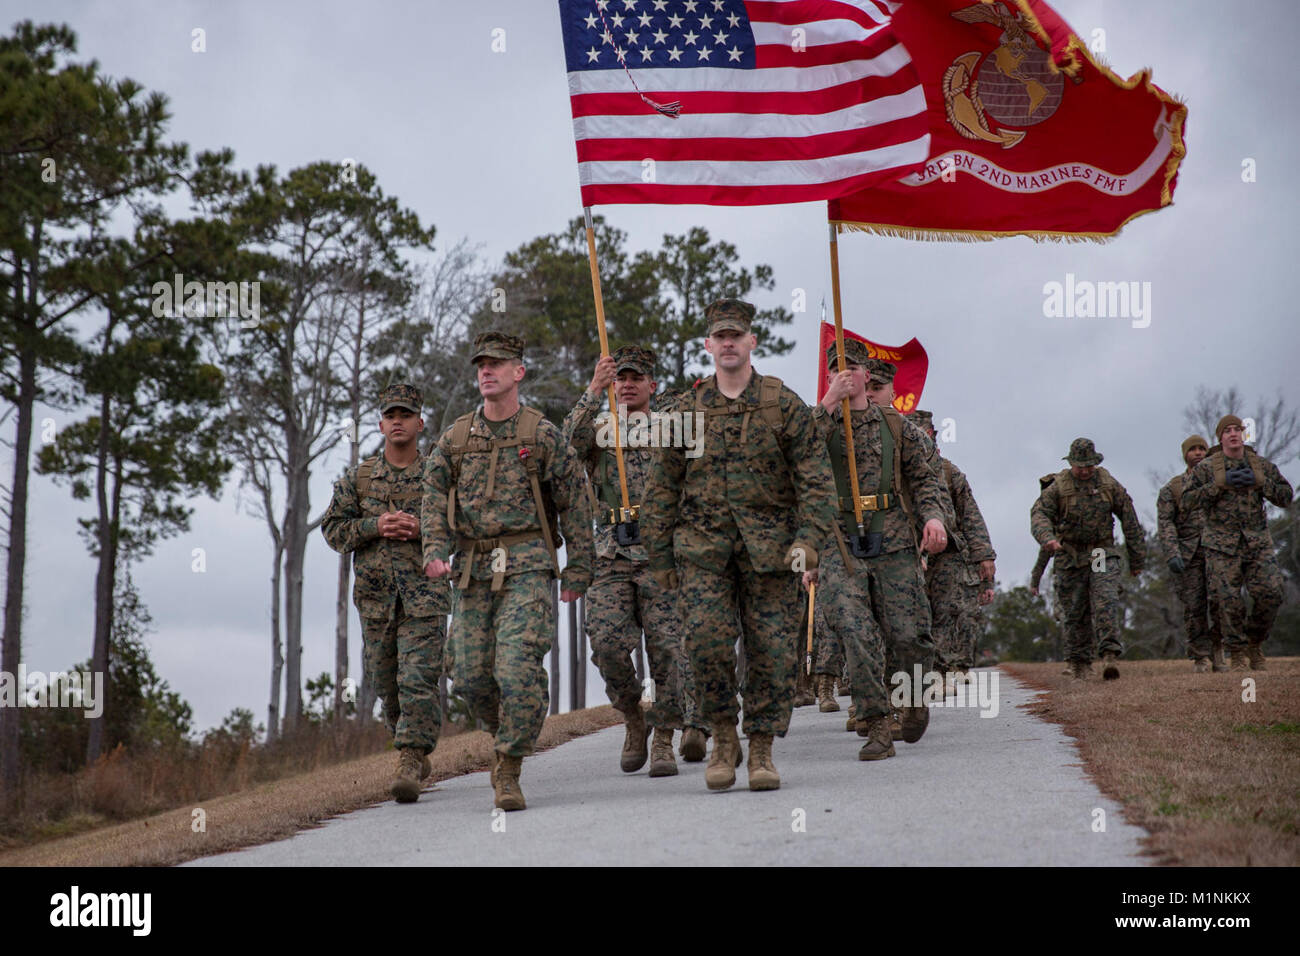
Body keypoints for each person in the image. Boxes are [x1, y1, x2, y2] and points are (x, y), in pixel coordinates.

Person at [641, 299, 835, 792]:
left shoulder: (781, 405)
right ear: (708, 347)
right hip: (702, 554)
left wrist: (809, 542)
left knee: (772, 653)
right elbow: (661, 487)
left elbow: (815, 479)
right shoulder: (686, 411)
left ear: (751, 342)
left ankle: (762, 748)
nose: (728, 343)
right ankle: (724, 738)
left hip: (772, 554)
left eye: (736, 336)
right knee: (705, 644)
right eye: (719, 337)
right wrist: (660, 556)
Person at [421, 332, 593, 811]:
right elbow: (433, 499)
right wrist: (435, 550)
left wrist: (579, 568)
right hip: (472, 570)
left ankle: (509, 764)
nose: (486, 371)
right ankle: (510, 730)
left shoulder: (542, 434)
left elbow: (575, 501)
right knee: (470, 676)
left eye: (497, 364)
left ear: (519, 372)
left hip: (528, 566)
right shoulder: (455, 438)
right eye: (481, 364)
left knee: (515, 669)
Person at [562, 345, 704, 777]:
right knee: (605, 643)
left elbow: (702, 471)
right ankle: (633, 718)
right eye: (620, 378)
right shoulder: (600, 426)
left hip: (663, 551)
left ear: (651, 385)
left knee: (668, 650)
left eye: (635, 378)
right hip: (610, 552)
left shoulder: (674, 425)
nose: (626, 384)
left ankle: (663, 736)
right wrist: (592, 389)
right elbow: (564, 449)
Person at [805, 346, 949, 758]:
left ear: (868, 376)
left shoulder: (898, 427)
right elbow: (790, 455)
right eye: (835, 371)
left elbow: (926, 479)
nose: (844, 375)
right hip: (840, 544)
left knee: (908, 635)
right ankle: (878, 724)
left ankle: (914, 698)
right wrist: (829, 402)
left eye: (851, 369)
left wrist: (934, 519)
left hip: (893, 539)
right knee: (854, 631)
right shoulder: (819, 424)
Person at [322, 383, 450, 803]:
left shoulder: (438, 474)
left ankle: (410, 759)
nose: (398, 421)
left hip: (424, 598)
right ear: (380, 424)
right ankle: (410, 745)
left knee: (417, 681)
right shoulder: (358, 479)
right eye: (391, 415)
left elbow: (462, 527)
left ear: (420, 422)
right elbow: (333, 531)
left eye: (406, 414)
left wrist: (421, 531)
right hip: (377, 604)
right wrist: (374, 526)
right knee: (387, 688)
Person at [1180, 416, 1293, 670]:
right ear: (1220, 438)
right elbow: (1186, 501)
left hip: (1257, 543)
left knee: (1272, 592)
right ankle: (1237, 652)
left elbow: (1286, 496)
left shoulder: (1260, 465)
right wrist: (1218, 486)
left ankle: (1255, 642)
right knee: (1228, 600)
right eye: (1227, 431)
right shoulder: (1207, 468)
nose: (1233, 434)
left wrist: (1262, 483)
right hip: (1221, 545)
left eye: (1237, 430)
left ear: (1244, 434)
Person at [1030, 439, 1145, 681]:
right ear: (1071, 463)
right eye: (1080, 466)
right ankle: (1077, 662)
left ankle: (1109, 655)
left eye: (1089, 466)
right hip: (1070, 555)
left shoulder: (1107, 484)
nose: (1084, 470)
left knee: (1106, 600)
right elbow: (1039, 514)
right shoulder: (1059, 487)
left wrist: (1137, 559)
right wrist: (1047, 538)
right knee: (1074, 611)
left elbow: (1130, 519)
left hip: (1100, 553)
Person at [911, 409, 997, 689]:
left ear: (933, 436)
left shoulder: (949, 472)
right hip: (909, 550)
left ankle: (942, 669)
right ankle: (919, 673)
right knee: (916, 612)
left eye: (923, 435)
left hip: (947, 552)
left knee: (948, 609)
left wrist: (984, 557)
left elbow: (971, 516)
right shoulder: (898, 469)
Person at [1157, 435, 1226, 672]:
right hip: (1188, 555)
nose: (1197, 453)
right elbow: (1166, 523)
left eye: (1202, 449)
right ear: (1185, 454)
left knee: (1221, 602)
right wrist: (1172, 553)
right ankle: (1201, 656)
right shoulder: (1173, 488)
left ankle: (1219, 651)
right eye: (1193, 449)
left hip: (1218, 550)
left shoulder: (1220, 483)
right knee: (1194, 606)